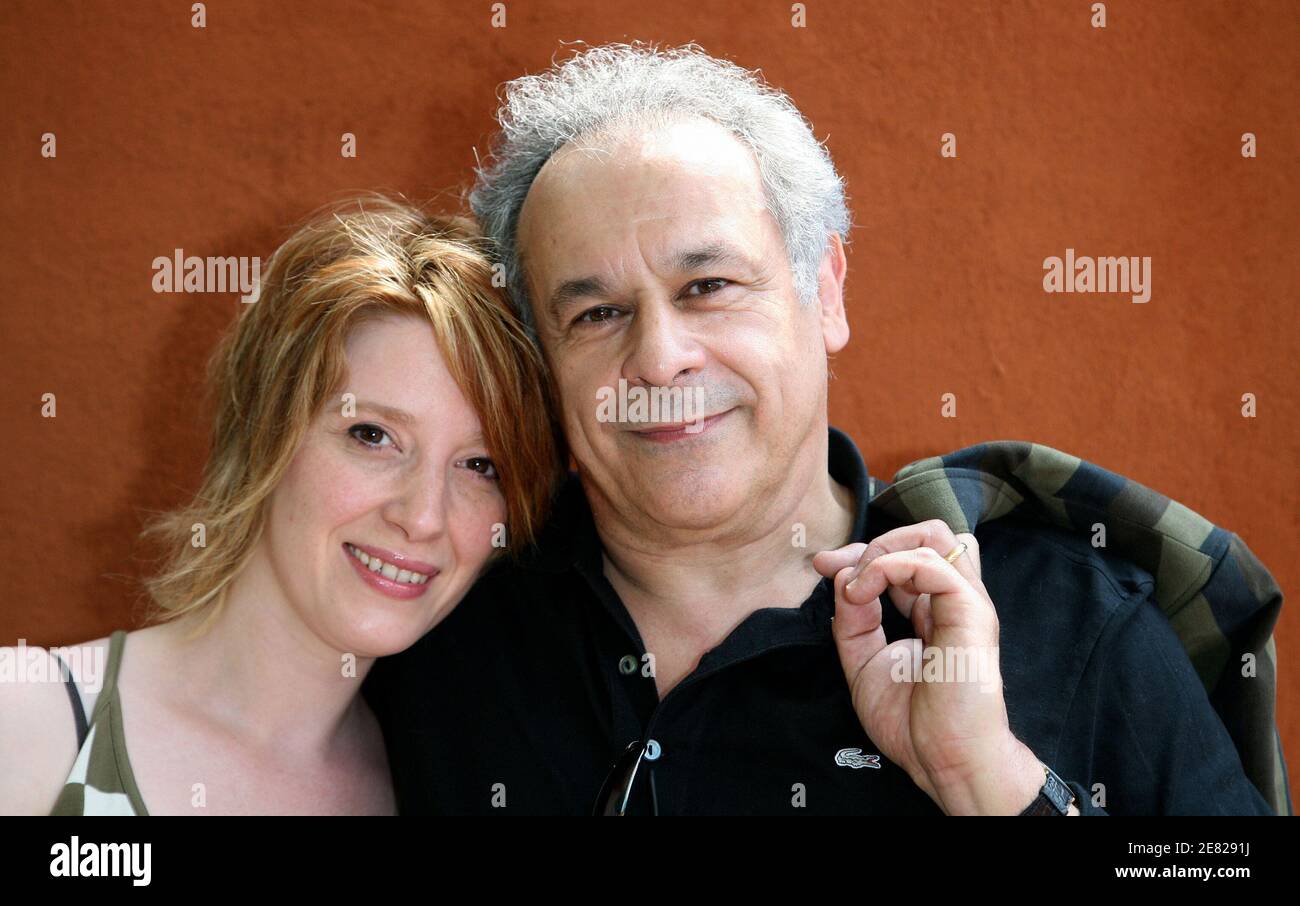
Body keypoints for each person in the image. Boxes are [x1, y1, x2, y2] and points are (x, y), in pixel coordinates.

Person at [363, 43, 1290, 815]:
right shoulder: (431, 627)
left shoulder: (1072, 619)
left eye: (708, 286)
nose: (659, 359)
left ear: (825, 290)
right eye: (596, 313)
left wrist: (987, 780)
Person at [0, 195, 562, 815]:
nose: (423, 517)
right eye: (372, 435)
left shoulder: (441, 785)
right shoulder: (28, 721)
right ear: (267, 429)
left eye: (481, 466)